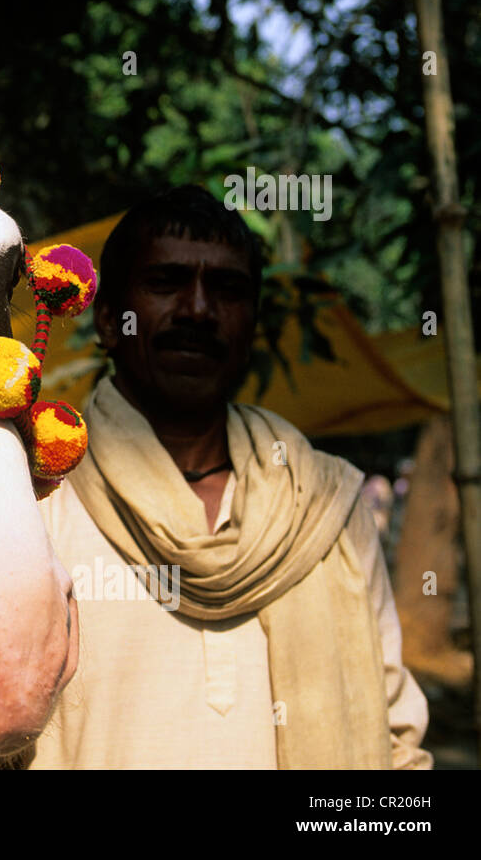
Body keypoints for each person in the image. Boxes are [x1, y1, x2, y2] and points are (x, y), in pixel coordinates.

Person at [31, 186, 431, 768]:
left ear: (252, 328)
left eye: (227, 290)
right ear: (108, 321)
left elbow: (396, 742)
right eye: (166, 283)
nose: (197, 310)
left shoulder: (325, 503)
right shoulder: (40, 500)